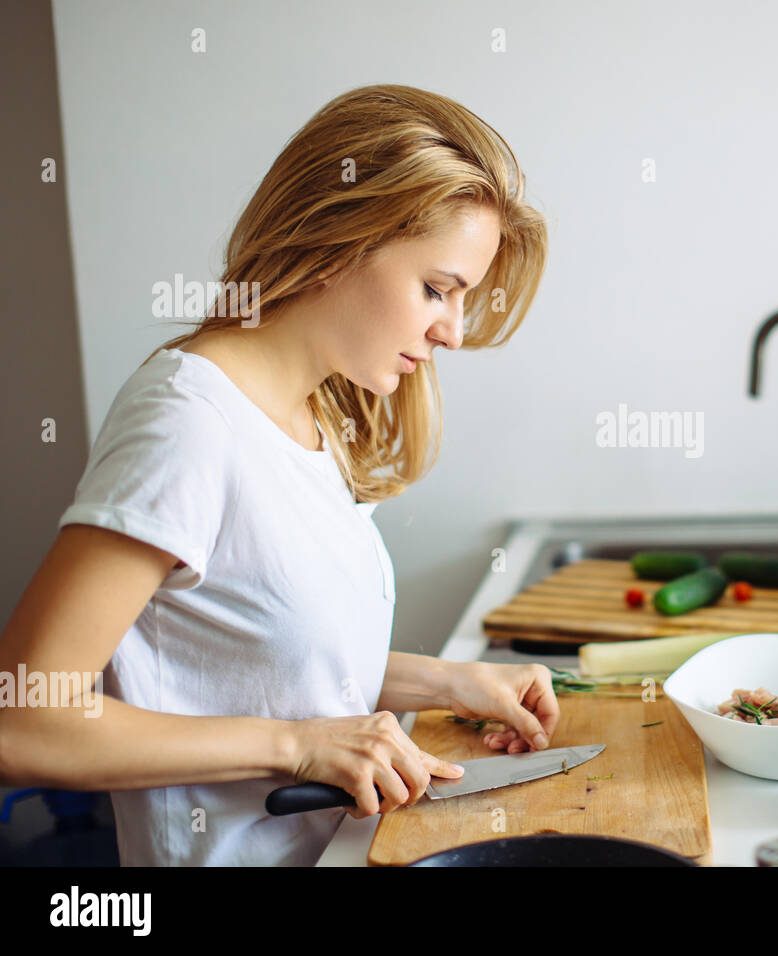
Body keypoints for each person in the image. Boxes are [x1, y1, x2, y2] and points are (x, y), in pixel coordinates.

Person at [0, 85, 554, 865]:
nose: (453, 333)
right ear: (340, 238)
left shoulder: (311, 414)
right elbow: (26, 718)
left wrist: (445, 683)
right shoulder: (187, 422)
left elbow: (247, 664)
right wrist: (294, 745)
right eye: (436, 289)